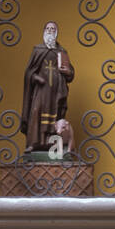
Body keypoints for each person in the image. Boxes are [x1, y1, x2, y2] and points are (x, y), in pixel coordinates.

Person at [21, 20, 74, 153]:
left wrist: (67, 72)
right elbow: (29, 72)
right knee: (36, 113)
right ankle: (34, 143)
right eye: (48, 28)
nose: (50, 30)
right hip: (41, 90)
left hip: (57, 91)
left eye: (53, 29)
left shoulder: (61, 51)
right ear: (44, 31)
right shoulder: (38, 50)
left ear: (56, 33)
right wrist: (35, 77)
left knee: (55, 117)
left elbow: (70, 73)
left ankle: (53, 145)